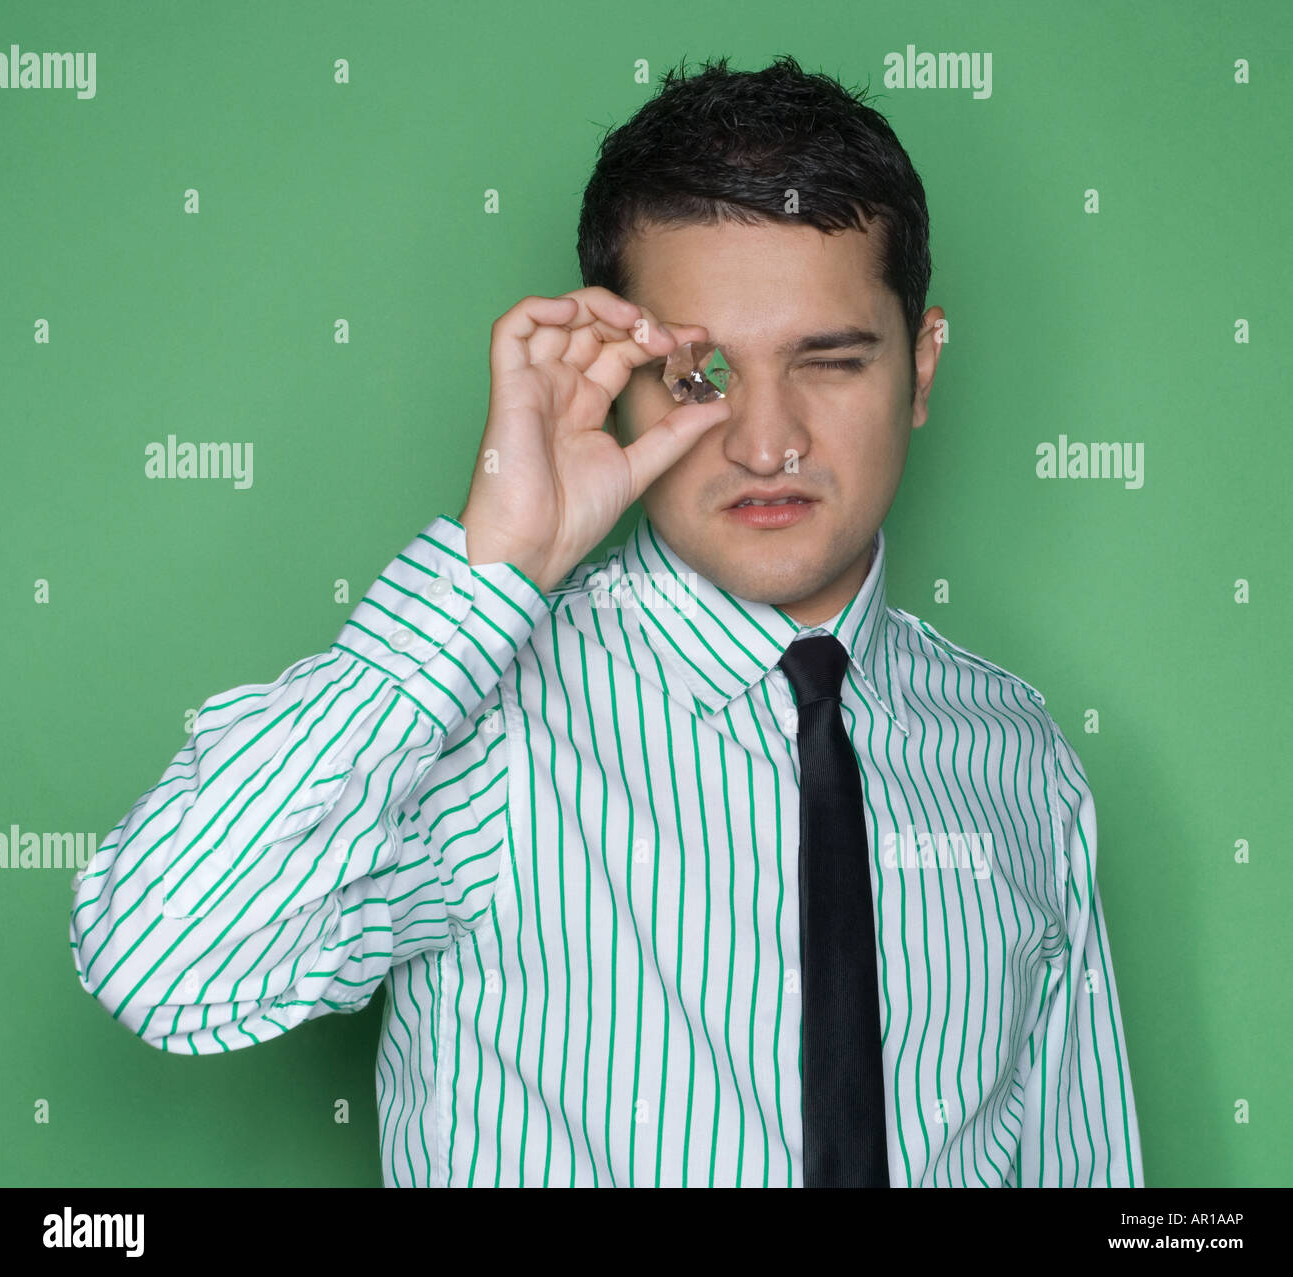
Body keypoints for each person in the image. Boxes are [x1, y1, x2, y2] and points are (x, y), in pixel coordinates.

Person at [69, 54, 1143, 1188]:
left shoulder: (1017, 753)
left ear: (919, 368)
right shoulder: (482, 727)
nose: (765, 441)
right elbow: (162, 960)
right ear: (619, 375)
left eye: (827, 362)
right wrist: (495, 570)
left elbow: (1085, 1158)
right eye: (700, 376)